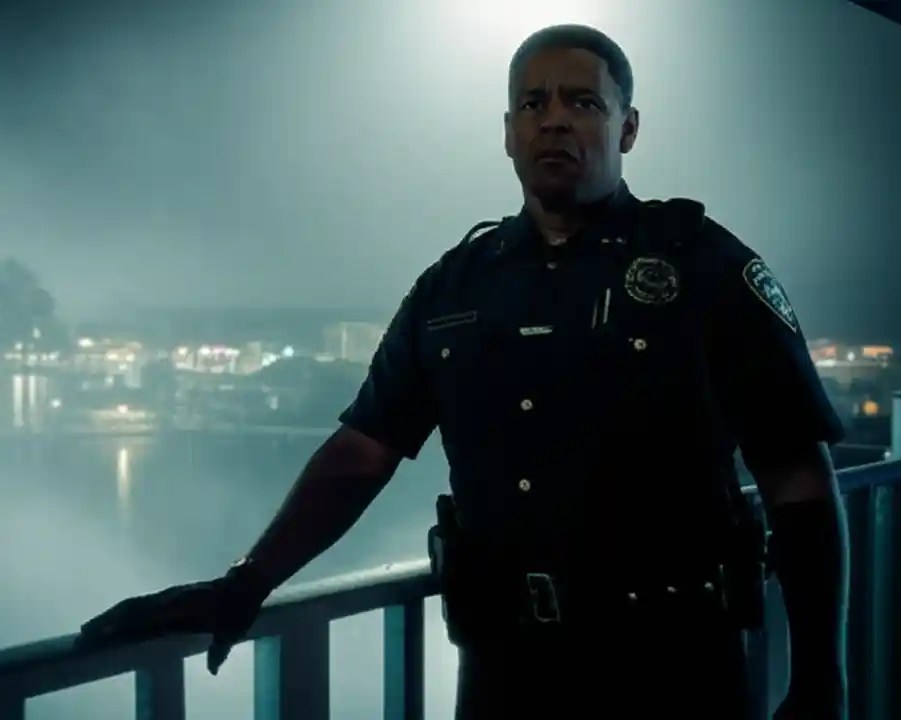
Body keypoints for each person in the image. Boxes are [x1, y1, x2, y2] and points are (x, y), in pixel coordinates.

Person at [79, 24, 849, 719]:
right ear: (508, 133)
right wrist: (247, 580)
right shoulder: (455, 287)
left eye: (583, 101)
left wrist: (821, 680)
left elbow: (797, 476)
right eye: (532, 103)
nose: (555, 118)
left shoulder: (704, 267)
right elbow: (362, 451)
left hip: (674, 670)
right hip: (505, 674)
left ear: (628, 127)